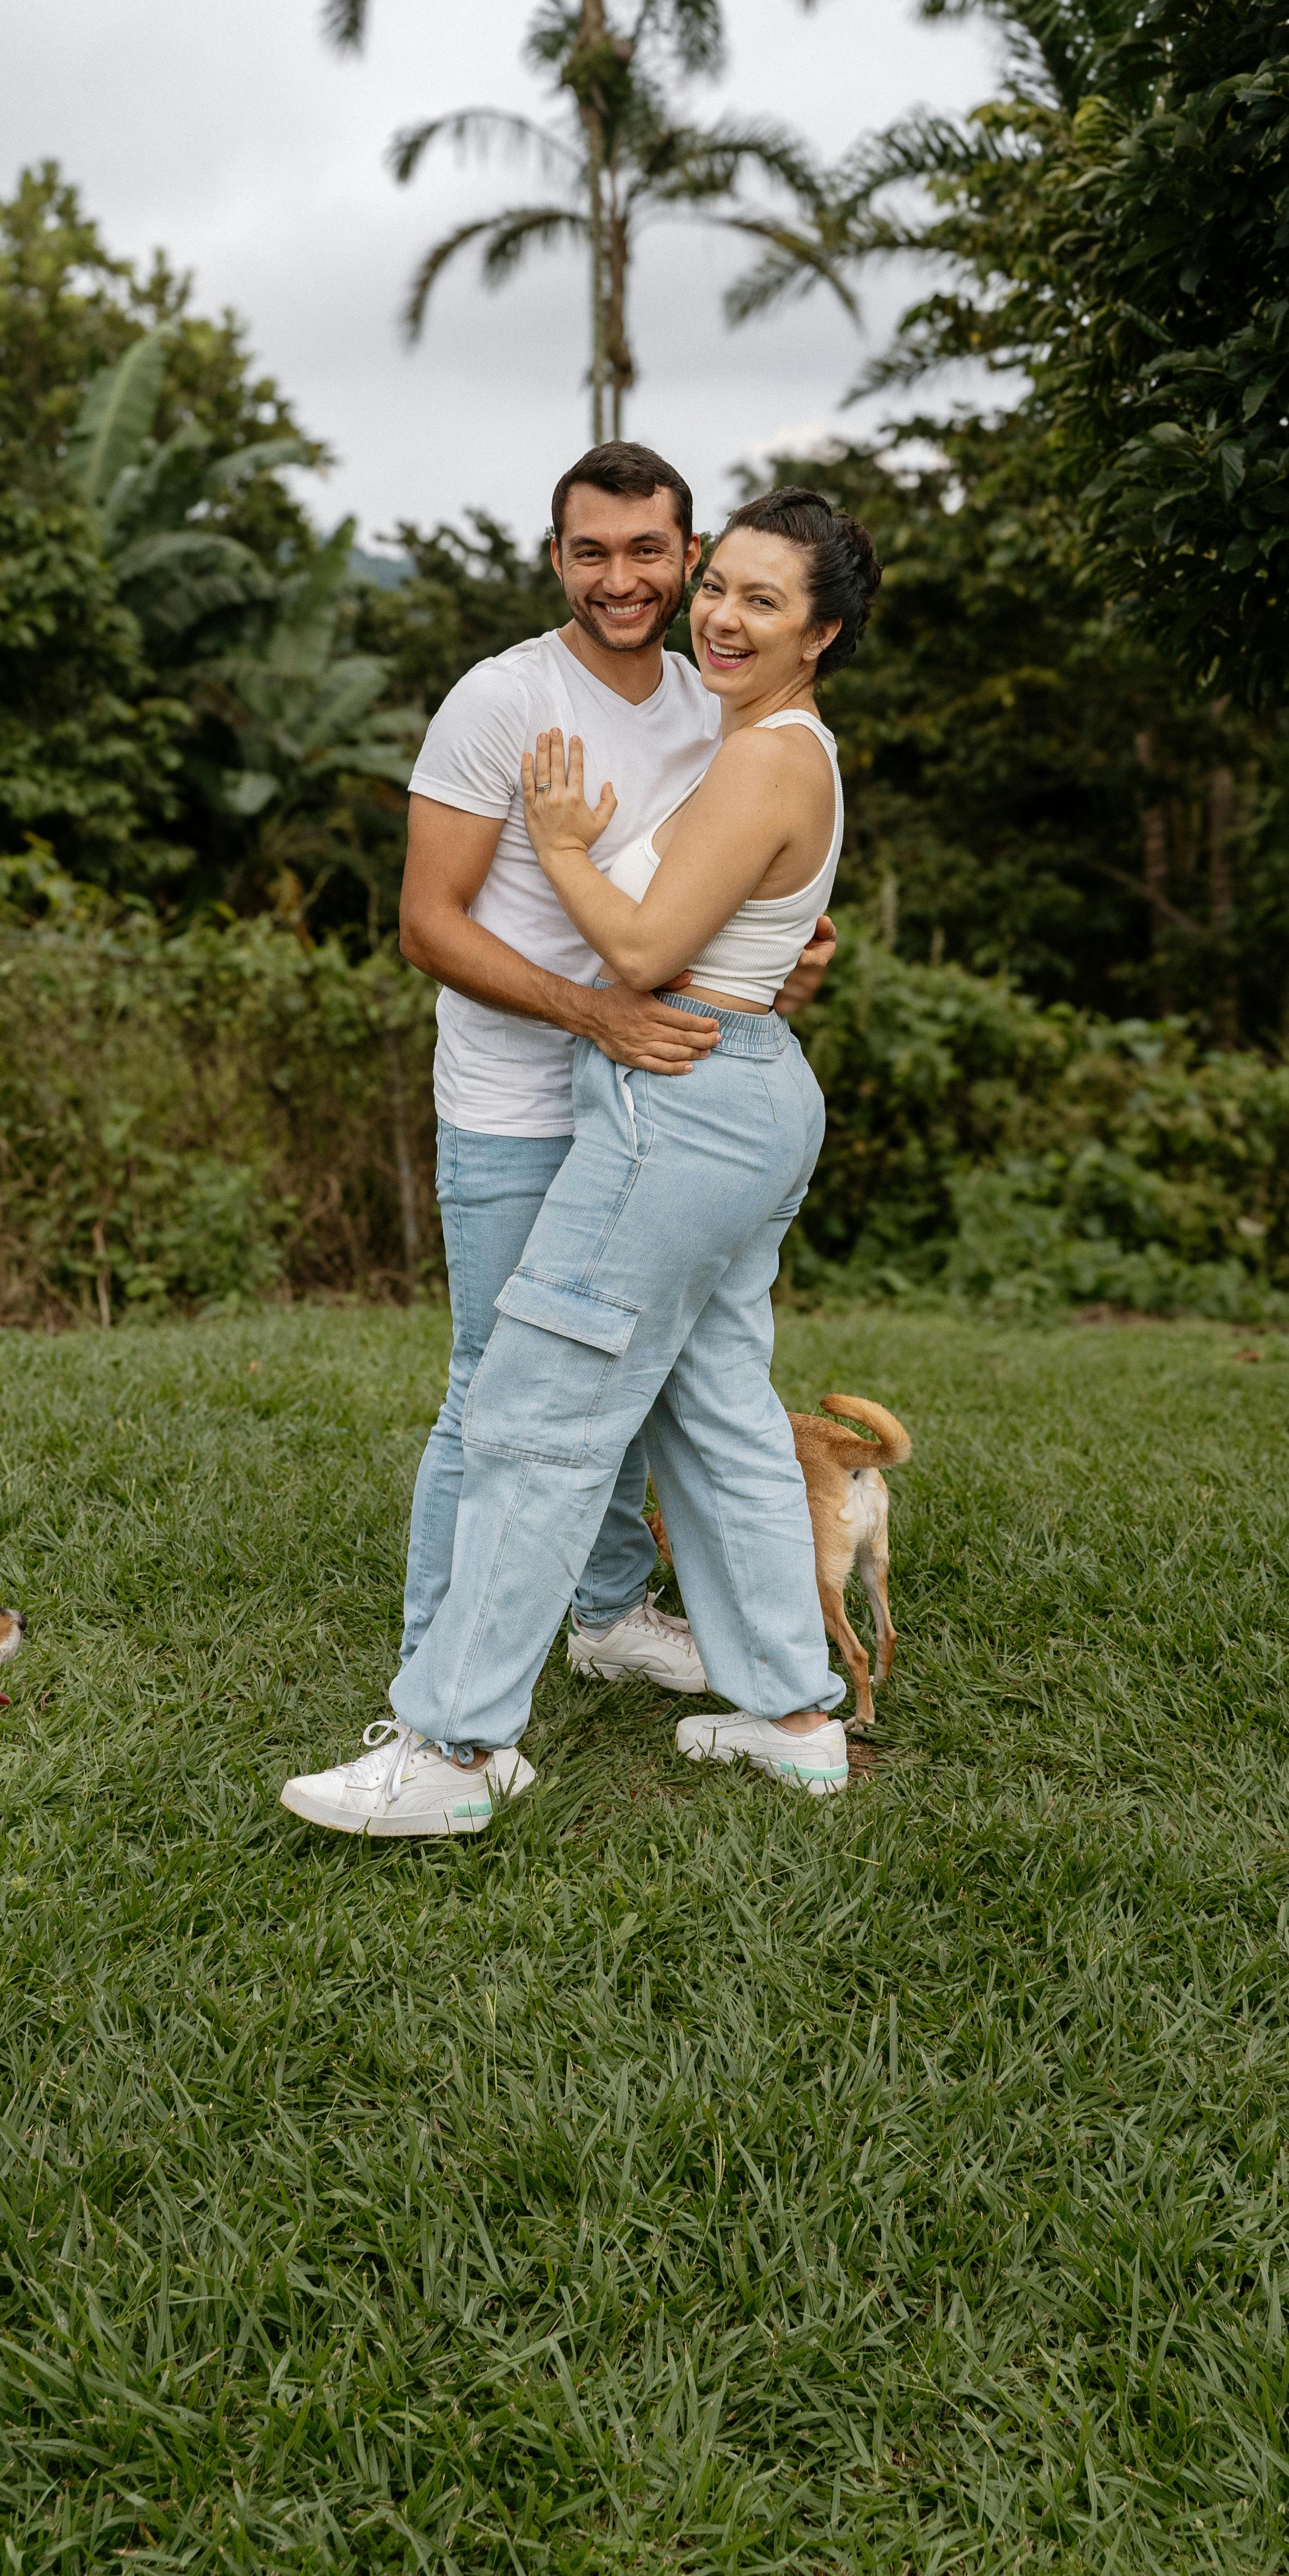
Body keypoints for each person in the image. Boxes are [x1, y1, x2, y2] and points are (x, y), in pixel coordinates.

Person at [283, 486, 877, 1839]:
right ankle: (793, 1718)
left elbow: (643, 953)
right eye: (719, 584)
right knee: (717, 1407)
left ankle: (451, 1748)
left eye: (761, 600)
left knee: (535, 1414)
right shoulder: (779, 747)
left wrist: (559, 849)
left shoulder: (767, 754)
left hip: (679, 1108)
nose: (721, 614)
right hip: (740, 1093)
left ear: (822, 633)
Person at [387, 440, 835, 1713]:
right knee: (497, 1388)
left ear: (687, 557)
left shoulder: (720, 703)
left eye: (648, 552)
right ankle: (437, 1656)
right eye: (591, 553)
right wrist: (597, 1014)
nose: (621, 579)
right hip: (513, 1105)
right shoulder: (499, 700)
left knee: (634, 1386)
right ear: (555, 561)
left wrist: (778, 964)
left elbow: (728, 893)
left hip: (656, 1107)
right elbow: (429, 922)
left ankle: (605, 1615)